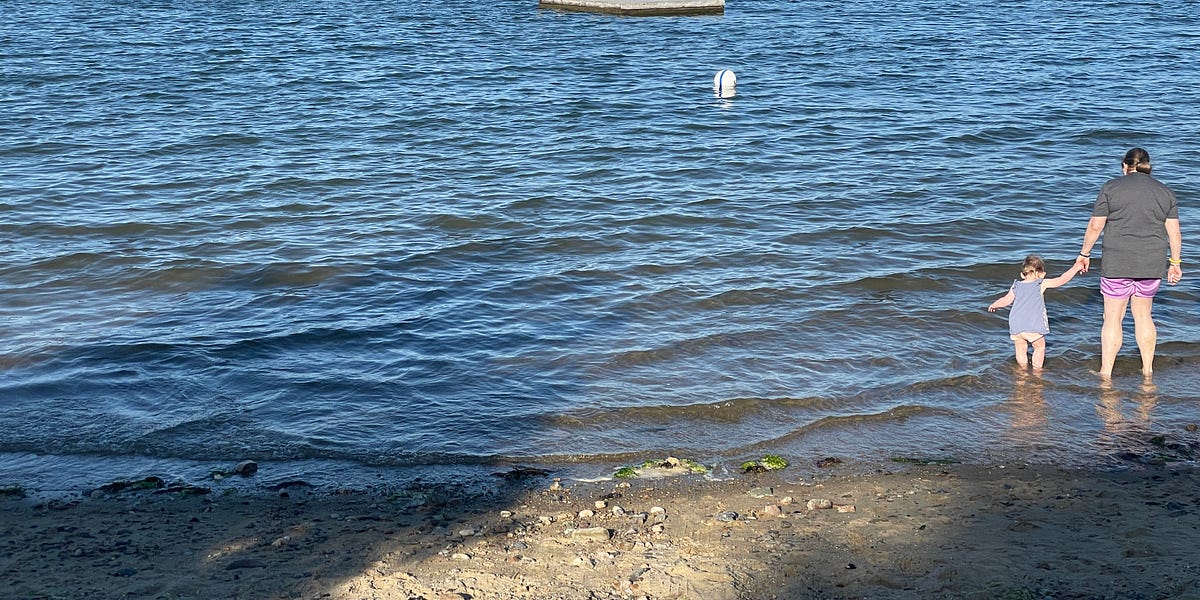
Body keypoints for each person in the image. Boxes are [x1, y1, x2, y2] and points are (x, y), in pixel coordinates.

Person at [1075, 148, 1183, 379]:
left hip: (1117, 262)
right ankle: (1147, 371)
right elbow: (1174, 234)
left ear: (1125, 165)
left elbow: (1095, 226)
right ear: (1147, 165)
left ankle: (1106, 373)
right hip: (1151, 263)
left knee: (1113, 318)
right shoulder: (1165, 192)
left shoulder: (1111, 188)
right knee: (1144, 316)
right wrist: (1175, 263)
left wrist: (1084, 254)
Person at [989, 254, 1083, 370]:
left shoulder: (1016, 285)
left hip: (1016, 324)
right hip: (1033, 325)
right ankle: (1037, 371)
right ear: (1040, 273)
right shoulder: (1041, 283)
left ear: (1022, 274)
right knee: (1039, 347)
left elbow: (1006, 300)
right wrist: (1076, 267)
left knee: (1020, 349)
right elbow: (1061, 280)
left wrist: (995, 304)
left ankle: (1022, 371)